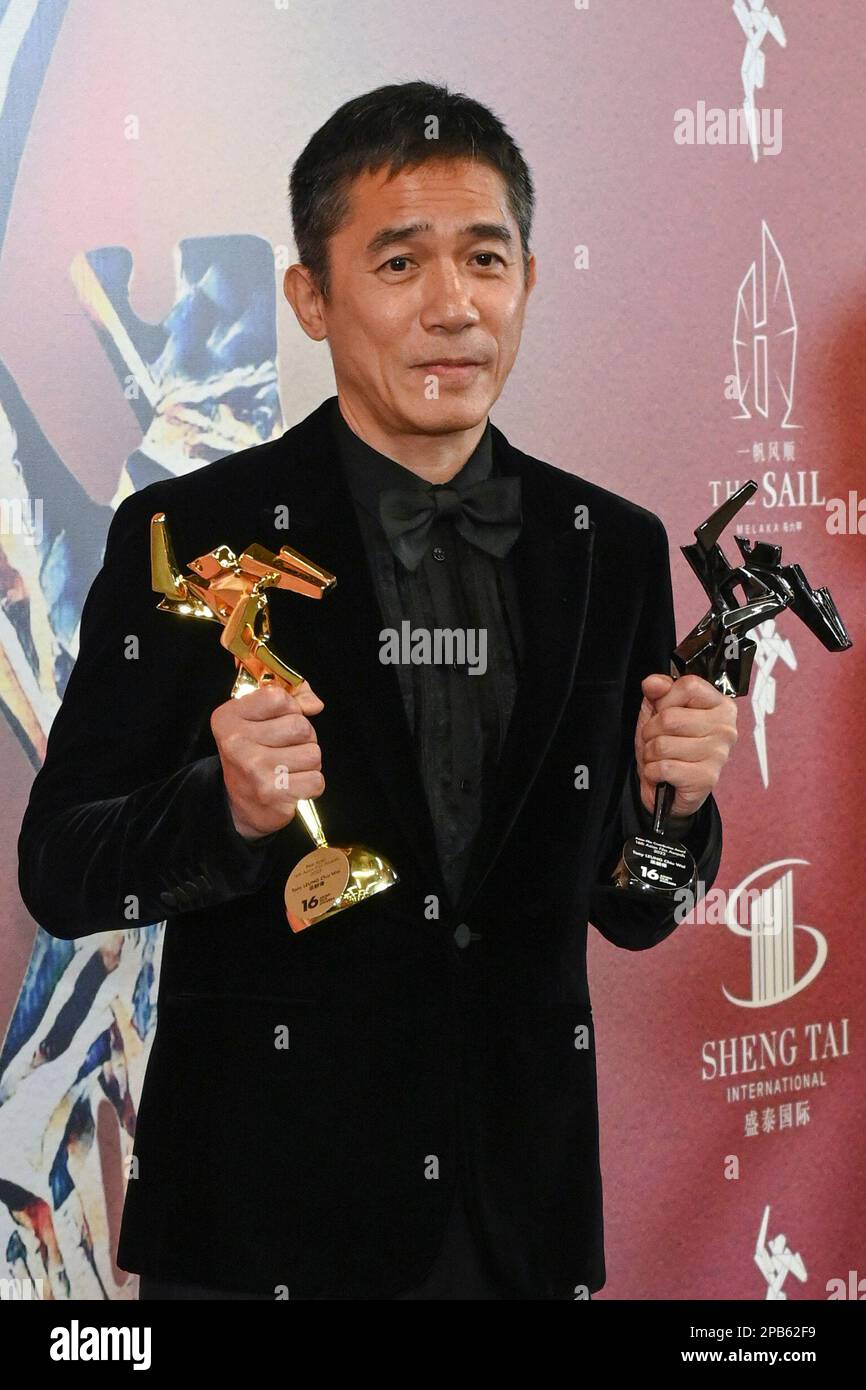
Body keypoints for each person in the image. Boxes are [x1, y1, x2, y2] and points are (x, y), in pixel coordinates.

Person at [17, 81, 736, 1301]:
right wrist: (225, 810)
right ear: (311, 296)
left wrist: (670, 809)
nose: (452, 306)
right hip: (261, 1227)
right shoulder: (190, 535)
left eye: (484, 259)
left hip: (517, 1223)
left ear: (526, 279)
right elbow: (63, 867)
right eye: (398, 263)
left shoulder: (607, 543)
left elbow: (630, 910)